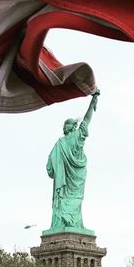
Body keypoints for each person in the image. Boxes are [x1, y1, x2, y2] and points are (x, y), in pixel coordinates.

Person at [45, 90, 100, 232]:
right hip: (71, 177)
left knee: (76, 198)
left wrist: (92, 103)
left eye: (67, 124)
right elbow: (50, 166)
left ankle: (73, 223)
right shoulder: (60, 143)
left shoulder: (74, 137)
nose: (64, 126)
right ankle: (65, 222)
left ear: (72, 126)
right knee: (67, 198)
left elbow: (87, 119)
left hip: (76, 175)